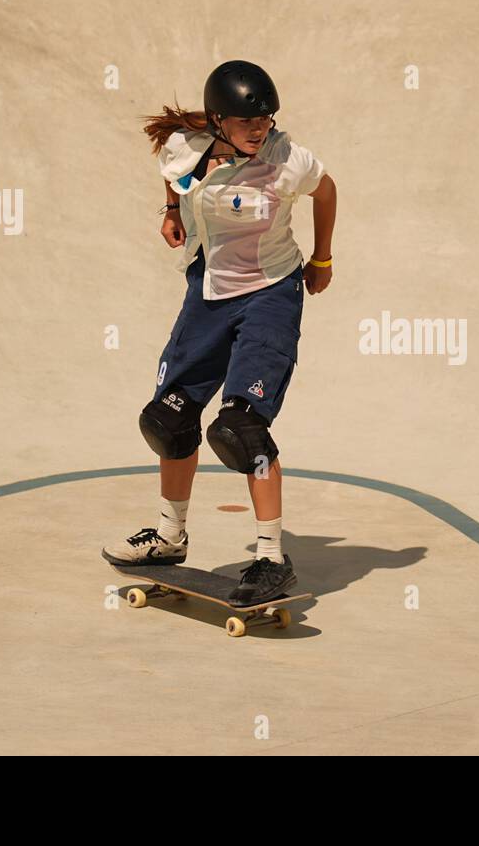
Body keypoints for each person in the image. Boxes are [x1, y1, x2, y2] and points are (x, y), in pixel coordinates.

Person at [101, 60, 337, 606]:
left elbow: (327, 194)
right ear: (216, 121)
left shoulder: (288, 159)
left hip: (271, 294)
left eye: (267, 119)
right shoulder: (186, 146)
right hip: (207, 293)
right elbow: (172, 169)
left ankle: (271, 556)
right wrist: (170, 211)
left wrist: (322, 259)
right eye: (247, 121)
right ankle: (168, 536)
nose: (261, 129)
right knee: (170, 418)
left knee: (241, 429)